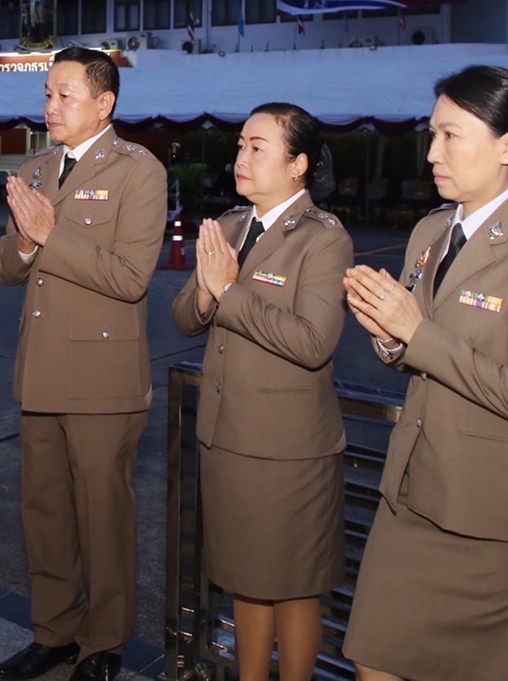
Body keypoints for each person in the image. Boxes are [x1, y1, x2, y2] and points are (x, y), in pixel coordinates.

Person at [341, 65, 508, 681]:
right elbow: (419, 352)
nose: (431, 153)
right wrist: (390, 337)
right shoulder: (430, 232)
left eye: (450, 135)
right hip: (412, 496)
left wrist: (416, 332)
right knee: (373, 659)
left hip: (490, 518)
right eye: (432, 134)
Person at [0, 46, 167, 681]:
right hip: (39, 370)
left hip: (101, 380)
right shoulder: (37, 167)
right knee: (44, 515)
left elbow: (129, 278)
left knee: (102, 520)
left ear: (104, 104)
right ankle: (55, 632)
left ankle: (104, 644)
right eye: (47, 94)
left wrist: (48, 235)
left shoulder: (137, 170)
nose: (51, 106)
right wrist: (21, 240)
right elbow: (8, 270)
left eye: (66, 95)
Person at [171, 103, 351, 681]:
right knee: (246, 579)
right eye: (241, 145)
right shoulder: (229, 226)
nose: (241, 158)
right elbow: (183, 317)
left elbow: (312, 341)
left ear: (298, 164)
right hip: (227, 435)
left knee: (295, 586)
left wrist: (228, 292)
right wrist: (207, 292)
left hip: (287, 449)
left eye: (258, 148)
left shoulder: (322, 239)